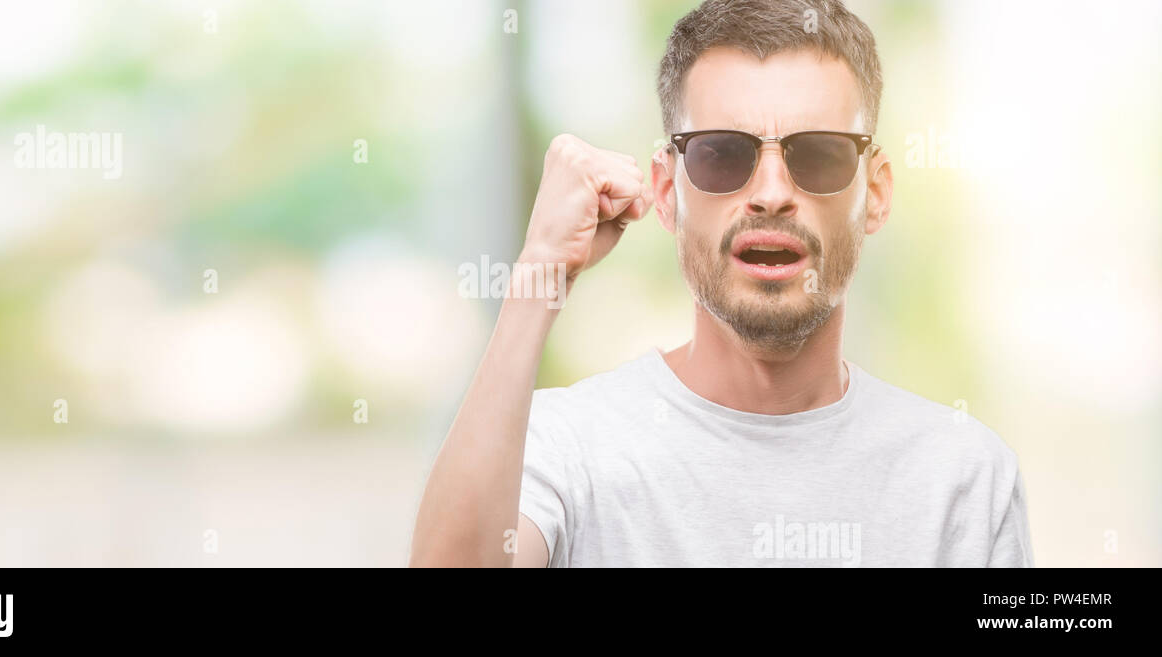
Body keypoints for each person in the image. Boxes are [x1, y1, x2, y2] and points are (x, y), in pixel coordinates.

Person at [410, 0, 1034, 567]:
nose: (769, 195)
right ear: (665, 192)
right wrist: (538, 271)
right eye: (721, 155)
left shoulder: (962, 479)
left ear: (874, 194)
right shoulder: (563, 450)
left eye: (817, 154)